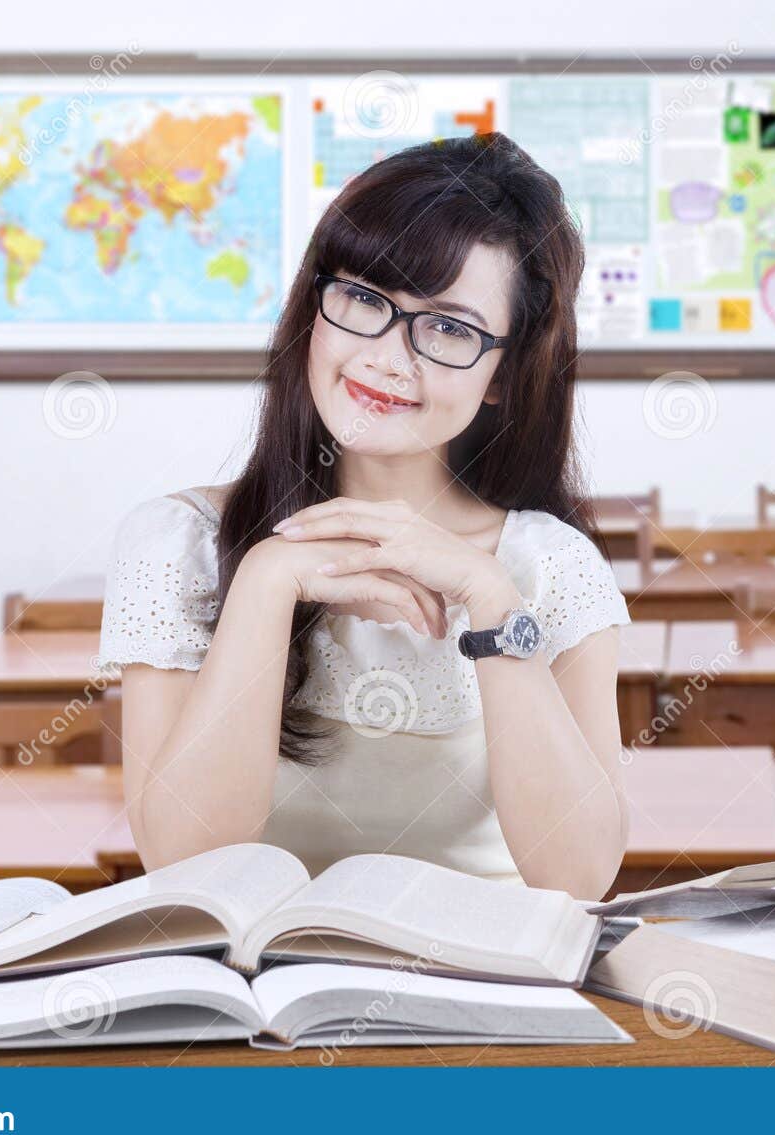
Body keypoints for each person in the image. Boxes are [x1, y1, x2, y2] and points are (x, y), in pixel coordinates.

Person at [99, 132, 631, 899]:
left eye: (448, 327)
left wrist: (489, 595)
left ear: (502, 377)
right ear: (315, 309)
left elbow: (579, 875)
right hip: (260, 1002)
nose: (388, 356)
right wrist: (266, 581)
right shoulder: (175, 543)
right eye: (365, 298)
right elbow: (183, 862)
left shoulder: (550, 563)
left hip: (490, 996)